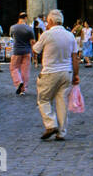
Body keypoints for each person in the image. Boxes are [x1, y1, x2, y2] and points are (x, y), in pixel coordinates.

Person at [33, 9, 80, 141]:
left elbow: (36, 49)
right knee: (62, 102)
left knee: (43, 99)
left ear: (50, 21)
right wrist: (76, 75)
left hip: (50, 72)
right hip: (67, 72)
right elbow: (75, 57)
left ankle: (51, 124)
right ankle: (62, 132)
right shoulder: (70, 35)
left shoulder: (47, 35)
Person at [9, 12, 35, 96]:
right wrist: (34, 54)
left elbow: (12, 37)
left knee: (14, 68)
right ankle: (23, 89)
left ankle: (18, 81)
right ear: (26, 18)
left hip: (17, 51)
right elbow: (32, 42)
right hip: (27, 51)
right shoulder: (29, 28)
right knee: (25, 71)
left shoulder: (13, 27)